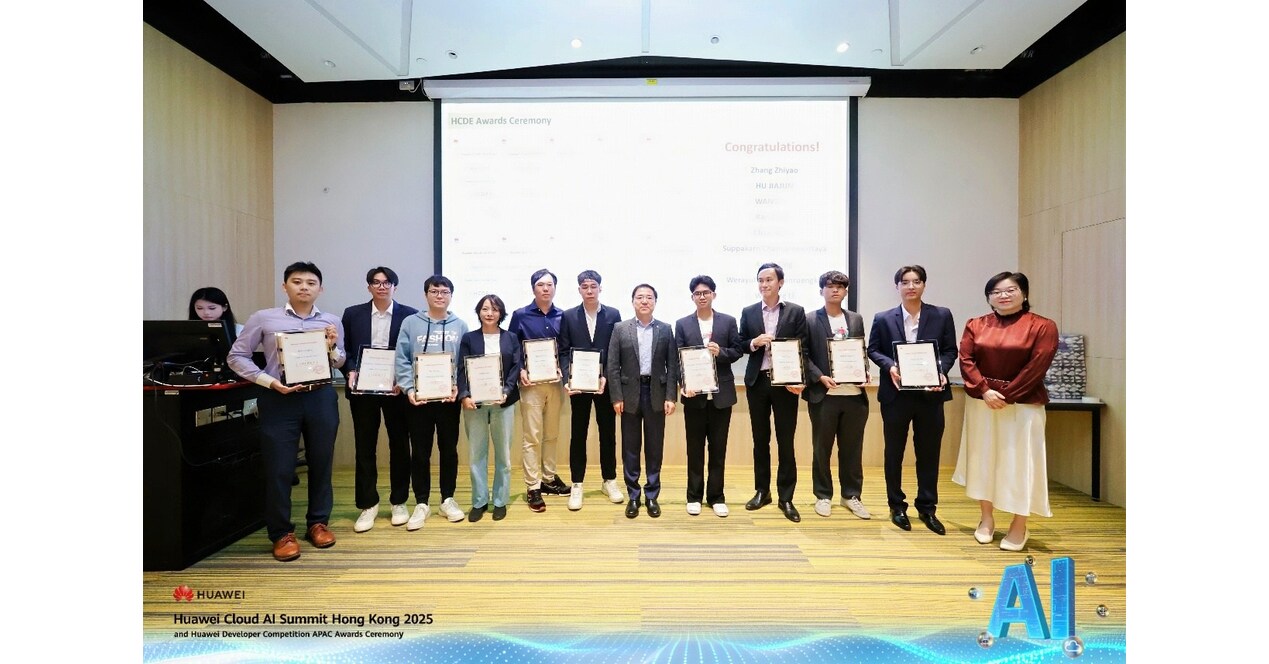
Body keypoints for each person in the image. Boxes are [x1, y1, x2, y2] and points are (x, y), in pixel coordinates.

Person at [226, 261, 345, 562]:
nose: (304, 287)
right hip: (279, 399)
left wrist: (332, 346)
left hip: (320, 397)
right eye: (297, 281)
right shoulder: (264, 318)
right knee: (279, 468)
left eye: (311, 283)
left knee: (321, 462)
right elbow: (236, 356)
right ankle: (281, 533)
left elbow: (339, 361)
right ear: (285, 286)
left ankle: (318, 523)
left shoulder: (330, 320)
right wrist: (268, 382)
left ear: (320, 289)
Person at [953, 271, 1059, 551]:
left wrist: (1007, 395)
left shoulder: (1043, 326)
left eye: (1010, 290)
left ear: (1024, 293)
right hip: (982, 403)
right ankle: (986, 518)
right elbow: (966, 359)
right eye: (996, 291)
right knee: (983, 459)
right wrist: (985, 390)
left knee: (1020, 463)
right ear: (989, 297)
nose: (1003, 295)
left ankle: (1019, 524)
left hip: (1023, 405)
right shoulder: (976, 324)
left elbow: (1038, 365)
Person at [867, 265, 958, 535]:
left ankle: (927, 507)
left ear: (924, 285)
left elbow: (950, 350)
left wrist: (941, 371)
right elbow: (873, 349)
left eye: (916, 281)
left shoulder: (941, 315)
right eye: (905, 282)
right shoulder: (883, 318)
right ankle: (896, 506)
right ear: (897, 286)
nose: (911, 286)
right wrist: (890, 366)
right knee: (893, 453)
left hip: (930, 395)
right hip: (896, 396)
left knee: (929, 453)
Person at [340, 267, 418, 533]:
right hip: (363, 392)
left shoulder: (410, 315)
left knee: (400, 445)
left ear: (395, 286)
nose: (382, 286)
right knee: (365, 446)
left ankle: (399, 501)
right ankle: (368, 504)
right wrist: (350, 370)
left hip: (397, 391)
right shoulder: (353, 314)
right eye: (376, 282)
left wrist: (404, 380)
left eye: (387, 283)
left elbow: (413, 353)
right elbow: (345, 350)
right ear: (369, 287)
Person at [394, 275, 470, 529]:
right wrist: (409, 388)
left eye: (444, 291)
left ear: (451, 296)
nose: (439, 295)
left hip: (449, 400)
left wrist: (458, 386)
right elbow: (402, 359)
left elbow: (464, 362)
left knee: (449, 450)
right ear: (426, 294)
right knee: (420, 452)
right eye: (434, 291)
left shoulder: (460, 325)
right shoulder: (410, 323)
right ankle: (421, 502)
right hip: (419, 401)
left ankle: (447, 499)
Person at [738, 263, 808, 522]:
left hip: (785, 384)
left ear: (780, 282)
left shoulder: (795, 311)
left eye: (769, 279)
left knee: (786, 441)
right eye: (760, 280)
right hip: (757, 382)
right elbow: (740, 343)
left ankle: (786, 497)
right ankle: (762, 491)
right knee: (760, 440)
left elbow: (803, 348)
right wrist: (753, 342)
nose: (764, 284)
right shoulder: (748, 312)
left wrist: (800, 379)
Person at [802, 271, 871, 521]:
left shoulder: (855, 319)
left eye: (840, 287)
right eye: (830, 286)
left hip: (854, 395)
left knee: (852, 449)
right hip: (824, 395)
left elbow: (860, 350)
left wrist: (865, 371)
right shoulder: (810, 319)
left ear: (846, 291)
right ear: (821, 290)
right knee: (822, 449)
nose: (835, 290)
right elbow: (803, 353)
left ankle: (851, 495)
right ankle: (823, 495)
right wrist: (819, 376)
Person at [673, 275, 743, 518]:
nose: (702, 296)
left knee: (718, 449)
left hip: (721, 397)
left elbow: (737, 351)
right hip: (695, 396)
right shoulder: (682, 324)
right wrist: (683, 384)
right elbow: (678, 359)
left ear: (714, 294)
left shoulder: (728, 321)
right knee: (694, 449)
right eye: (697, 293)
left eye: (706, 292)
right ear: (692, 297)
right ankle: (693, 496)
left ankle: (716, 497)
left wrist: (721, 352)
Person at [607, 284, 678, 519]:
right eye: (640, 297)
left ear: (655, 302)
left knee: (654, 447)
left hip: (656, 393)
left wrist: (670, 396)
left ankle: (652, 495)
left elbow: (672, 366)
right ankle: (634, 495)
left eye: (649, 297)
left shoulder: (665, 329)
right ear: (633, 302)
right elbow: (612, 366)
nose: (644, 301)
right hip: (628, 395)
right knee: (630, 447)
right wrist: (616, 396)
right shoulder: (620, 329)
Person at [558, 270, 623, 510]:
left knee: (608, 433)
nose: (589, 290)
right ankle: (577, 483)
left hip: (605, 384)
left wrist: (606, 376)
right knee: (578, 434)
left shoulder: (613, 314)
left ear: (600, 288)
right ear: (579, 290)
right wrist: (568, 377)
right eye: (584, 287)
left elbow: (616, 350)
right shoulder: (568, 316)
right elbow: (563, 351)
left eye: (593, 286)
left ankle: (609, 480)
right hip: (579, 386)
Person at [507, 269, 569, 512]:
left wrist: (565, 368)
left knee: (551, 434)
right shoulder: (520, 315)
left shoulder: (563, 316)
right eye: (541, 284)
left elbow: (565, 349)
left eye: (550, 284)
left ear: (555, 288)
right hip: (530, 385)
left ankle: (549, 478)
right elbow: (512, 347)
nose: (546, 288)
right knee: (532, 436)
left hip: (554, 383)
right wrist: (520, 369)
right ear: (533, 288)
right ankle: (533, 486)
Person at [456, 294, 521, 522]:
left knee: (503, 455)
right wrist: (464, 395)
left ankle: (500, 501)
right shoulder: (469, 338)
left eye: (494, 309)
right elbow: (461, 369)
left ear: (501, 313)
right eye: (485, 309)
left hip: (503, 403)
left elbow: (515, 368)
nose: (489, 313)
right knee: (476, 454)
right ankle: (479, 501)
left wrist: (506, 391)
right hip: (475, 404)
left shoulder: (511, 338)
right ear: (479, 312)